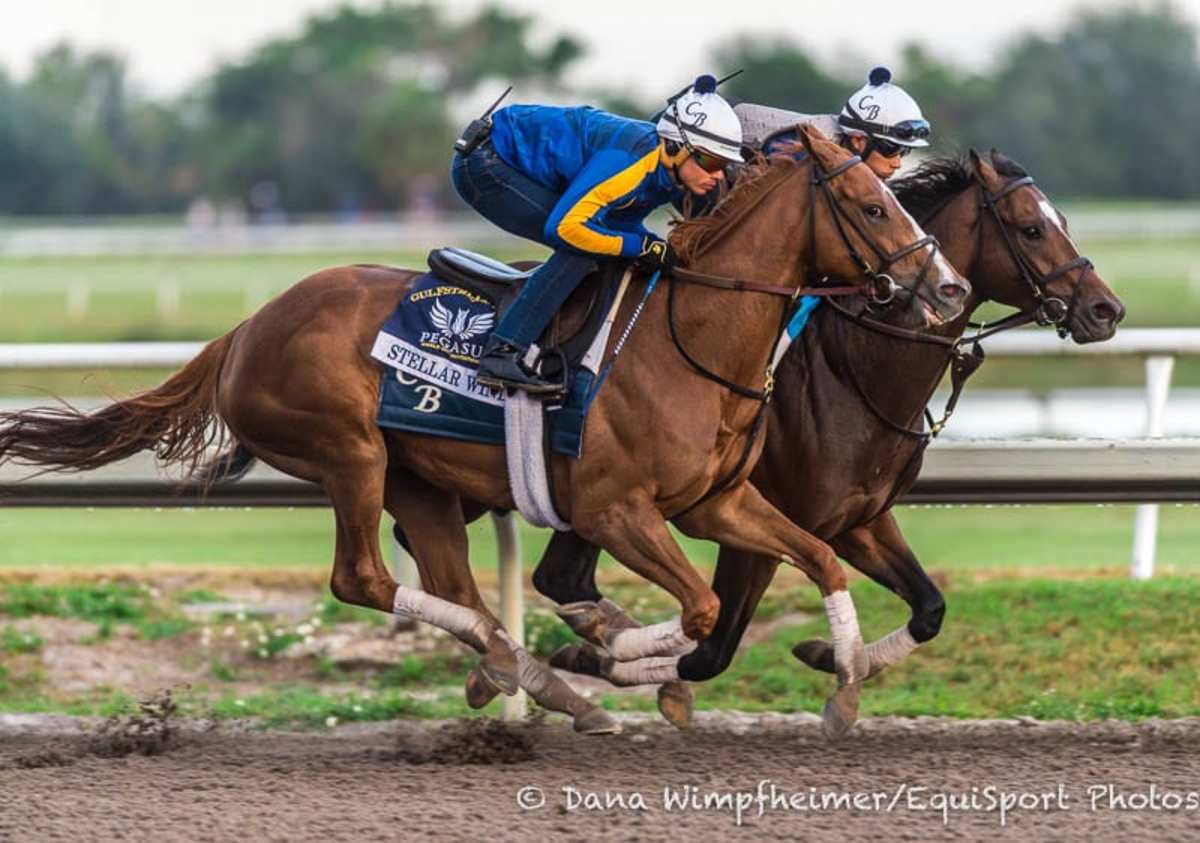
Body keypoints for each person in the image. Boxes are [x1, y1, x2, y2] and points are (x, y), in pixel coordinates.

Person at [450, 75, 743, 395]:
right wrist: (638, 245)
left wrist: (649, 247)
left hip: (522, 158)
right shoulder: (631, 164)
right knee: (583, 247)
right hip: (486, 163)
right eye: (709, 161)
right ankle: (502, 352)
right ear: (674, 147)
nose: (717, 175)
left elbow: (628, 229)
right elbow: (566, 228)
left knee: (635, 249)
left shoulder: (666, 169)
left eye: (725, 164)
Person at [734, 66, 930, 180]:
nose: (897, 163)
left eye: (904, 151)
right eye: (891, 148)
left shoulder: (842, 149)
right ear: (857, 140)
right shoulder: (805, 150)